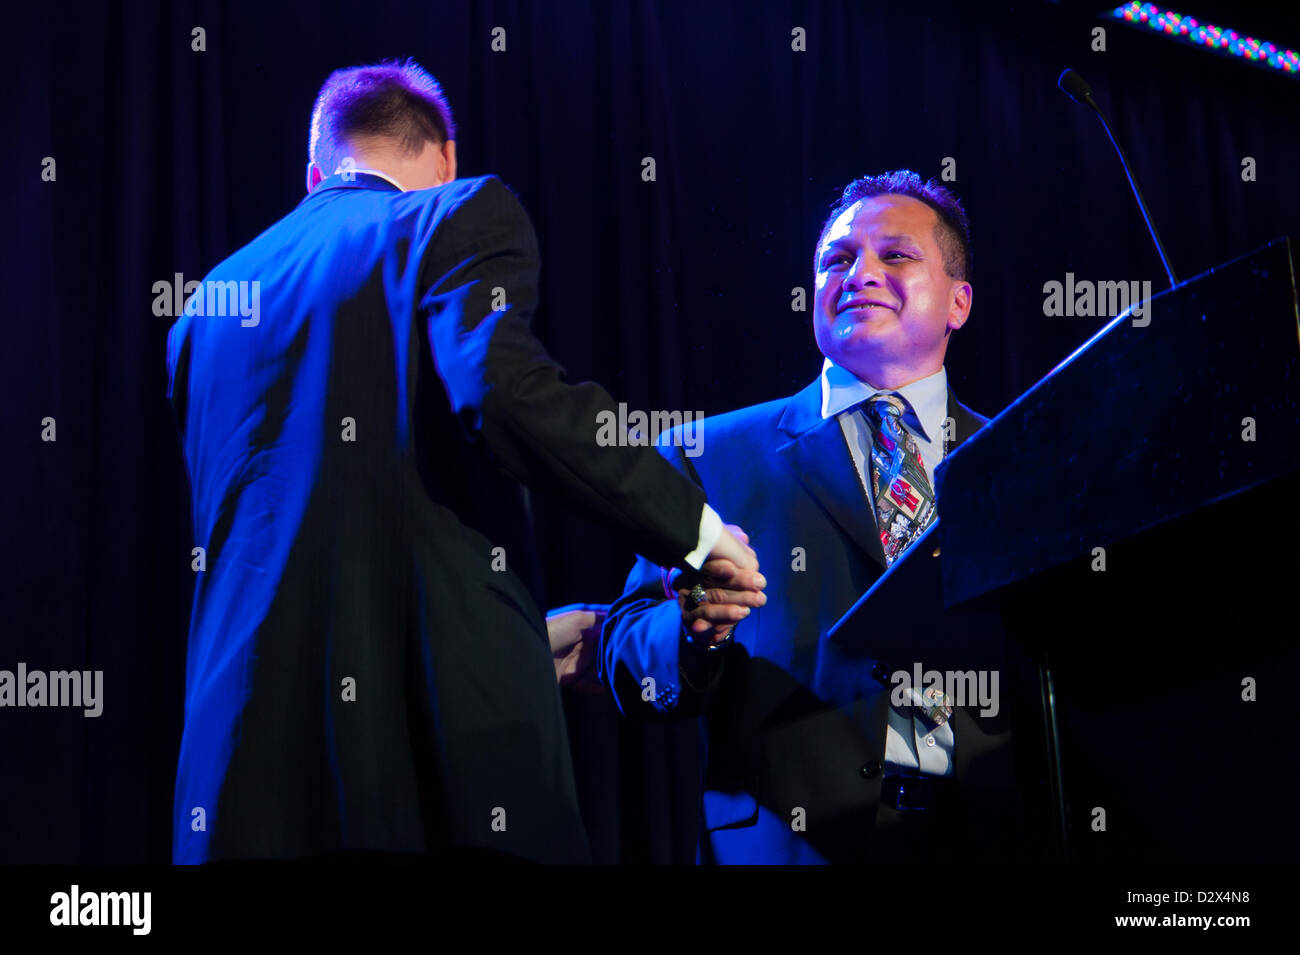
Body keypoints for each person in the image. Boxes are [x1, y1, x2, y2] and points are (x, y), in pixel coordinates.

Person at [164, 59, 760, 864]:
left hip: (240, 773)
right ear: (444, 156)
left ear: (315, 173)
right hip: (435, 762)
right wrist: (694, 527)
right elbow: (507, 394)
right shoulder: (453, 212)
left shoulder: (205, 308)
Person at [600, 170, 1020, 863]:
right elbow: (627, 650)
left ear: (959, 301)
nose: (860, 273)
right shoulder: (706, 454)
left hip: (997, 831)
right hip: (794, 842)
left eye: (896, 255)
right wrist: (693, 625)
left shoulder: (1017, 456)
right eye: (838, 258)